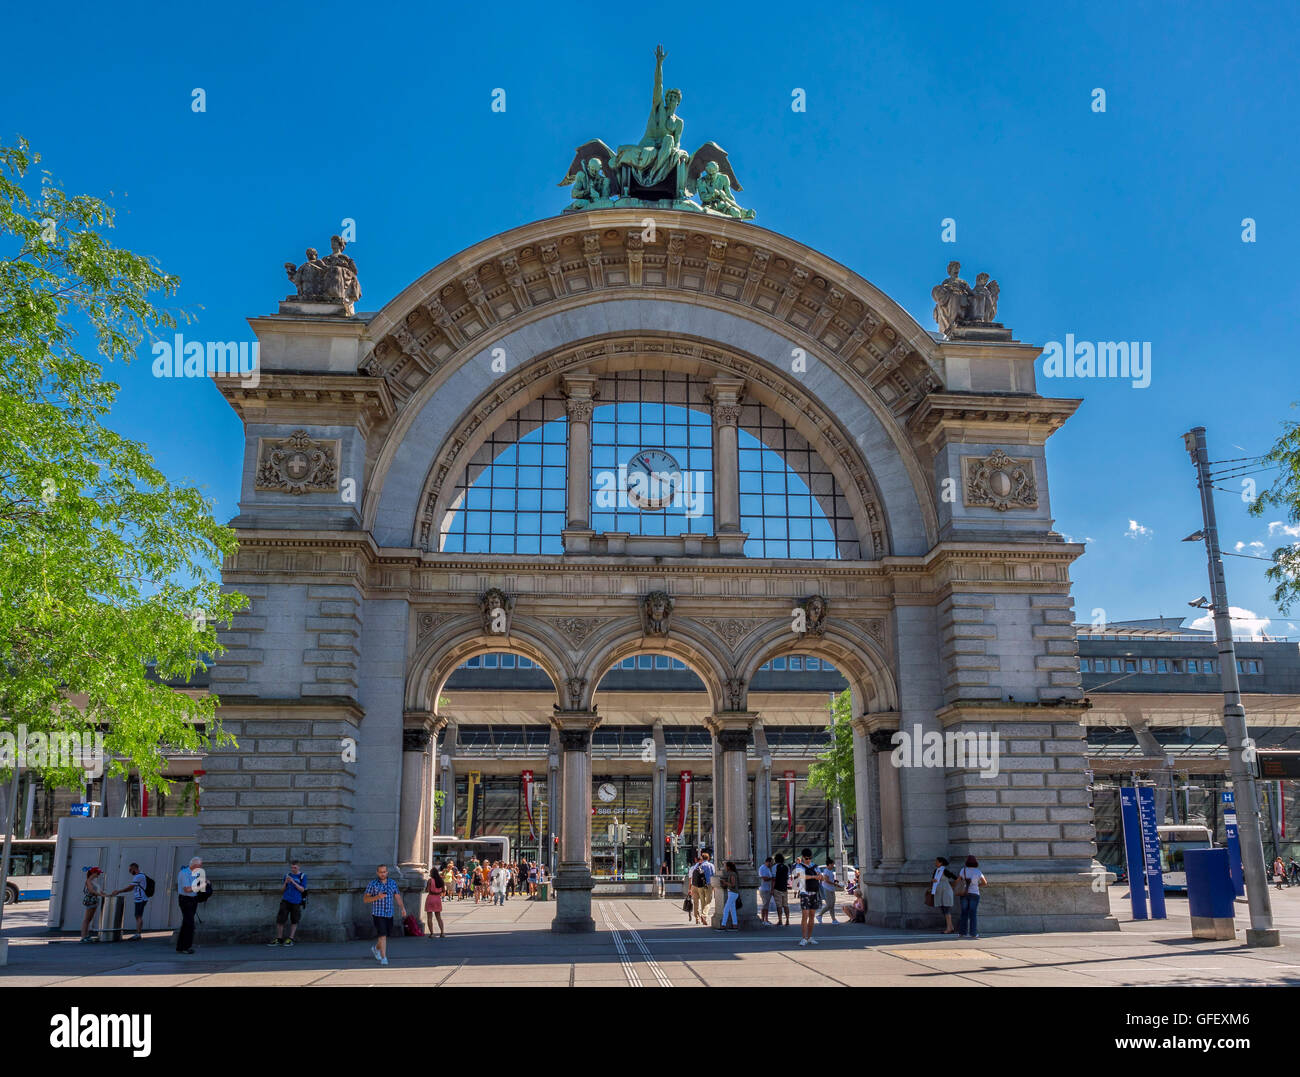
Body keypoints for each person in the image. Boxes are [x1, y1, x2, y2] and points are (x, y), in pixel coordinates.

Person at [363, 864, 406, 966]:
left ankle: (376, 948)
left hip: (389, 913)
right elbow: (365, 899)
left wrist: (402, 908)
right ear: (377, 873)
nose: (383, 874)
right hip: (378, 913)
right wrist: (377, 897)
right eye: (380, 872)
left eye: (384, 872)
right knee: (382, 935)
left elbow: (397, 896)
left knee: (384, 935)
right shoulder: (372, 884)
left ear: (387, 872)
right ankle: (384, 957)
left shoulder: (392, 883)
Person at [268, 860, 307, 946]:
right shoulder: (287, 875)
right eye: (292, 867)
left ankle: (290, 939)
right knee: (280, 920)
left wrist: (293, 882)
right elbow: (282, 890)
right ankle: (279, 939)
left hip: (296, 901)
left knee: (294, 920)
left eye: (295, 867)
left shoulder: (302, 876)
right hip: (286, 900)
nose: (293, 869)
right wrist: (286, 882)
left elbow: (302, 889)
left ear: (299, 867)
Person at [111, 862, 149, 941]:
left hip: (140, 899)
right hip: (141, 898)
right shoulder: (141, 875)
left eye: (130, 870)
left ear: (134, 868)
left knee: (138, 916)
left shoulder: (138, 876)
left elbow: (130, 887)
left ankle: (138, 934)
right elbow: (132, 888)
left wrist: (119, 891)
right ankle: (138, 933)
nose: (129, 872)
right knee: (138, 916)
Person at [796, 849, 825, 947]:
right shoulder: (799, 866)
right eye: (807, 858)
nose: (808, 860)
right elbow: (801, 876)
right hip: (804, 892)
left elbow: (821, 877)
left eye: (810, 858)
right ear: (803, 857)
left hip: (814, 892)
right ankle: (804, 938)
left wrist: (820, 877)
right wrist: (814, 877)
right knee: (805, 915)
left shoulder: (815, 866)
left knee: (812, 915)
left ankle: (810, 937)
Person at [176, 856, 203, 954]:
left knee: (186, 923)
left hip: (193, 899)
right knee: (189, 924)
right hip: (185, 900)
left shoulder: (196, 873)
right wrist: (200, 886)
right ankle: (185, 947)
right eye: (200, 865)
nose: (201, 867)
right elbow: (187, 889)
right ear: (194, 865)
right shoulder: (184, 873)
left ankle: (180, 947)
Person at [956, 856, 987, 939]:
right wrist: (977, 885)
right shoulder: (978, 871)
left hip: (964, 894)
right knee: (973, 914)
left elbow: (958, 881)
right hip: (974, 894)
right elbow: (985, 882)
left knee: (964, 913)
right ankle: (973, 933)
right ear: (975, 862)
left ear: (967, 862)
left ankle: (962, 933)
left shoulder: (963, 870)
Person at [79, 867, 105, 942]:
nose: (99, 874)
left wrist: (107, 895)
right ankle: (83, 936)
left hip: (94, 900)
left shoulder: (94, 881)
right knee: (87, 919)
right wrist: (102, 895)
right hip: (90, 900)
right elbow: (92, 891)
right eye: (98, 873)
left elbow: (99, 891)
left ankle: (86, 935)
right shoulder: (88, 881)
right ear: (93, 873)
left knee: (89, 919)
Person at [932, 856, 956, 934]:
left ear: (941, 863)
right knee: (943, 909)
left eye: (937, 861)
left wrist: (952, 886)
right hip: (939, 892)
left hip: (946, 891)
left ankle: (949, 928)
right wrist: (933, 880)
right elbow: (933, 879)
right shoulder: (936, 871)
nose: (935, 862)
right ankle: (951, 926)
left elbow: (955, 877)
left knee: (946, 909)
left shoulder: (945, 871)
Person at [690, 852, 714, 925]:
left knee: (703, 901)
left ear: (702, 858)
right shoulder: (711, 865)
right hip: (708, 884)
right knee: (709, 901)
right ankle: (704, 915)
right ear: (708, 858)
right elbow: (713, 875)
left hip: (700, 885)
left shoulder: (699, 866)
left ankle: (703, 918)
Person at [425, 861, 447, 938]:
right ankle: (442, 932)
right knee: (438, 917)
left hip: (430, 897)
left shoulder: (430, 880)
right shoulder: (441, 880)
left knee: (429, 917)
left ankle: (432, 933)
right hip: (437, 898)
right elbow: (444, 891)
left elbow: (427, 890)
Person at [817, 856, 841, 925]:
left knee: (832, 905)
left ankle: (834, 920)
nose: (833, 866)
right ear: (829, 864)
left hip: (831, 889)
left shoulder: (830, 871)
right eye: (832, 864)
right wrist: (835, 884)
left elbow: (830, 879)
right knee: (829, 905)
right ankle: (819, 915)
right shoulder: (826, 871)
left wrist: (835, 881)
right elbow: (826, 880)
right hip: (826, 889)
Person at [718, 860, 741, 931]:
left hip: (733, 893)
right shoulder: (732, 873)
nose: (725, 867)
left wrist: (725, 882)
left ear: (728, 867)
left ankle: (723, 925)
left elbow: (733, 885)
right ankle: (735, 925)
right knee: (732, 910)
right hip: (733, 893)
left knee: (726, 909)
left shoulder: (732, 874)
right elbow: (732, 884)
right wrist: (725, 883)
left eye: (726, 866)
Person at [771, 853, 790, 927]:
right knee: (785, 905)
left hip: (777, 888)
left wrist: (772, 889)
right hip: (784, 888)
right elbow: (787, 877)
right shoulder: (786, 866)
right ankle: (787, 920)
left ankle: (780, 920)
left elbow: (773, 879)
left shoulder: (774, 867)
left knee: (779, 905)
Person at [757, 856, 775, 925]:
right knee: (764, 904)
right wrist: (772, 878)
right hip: (763, 889)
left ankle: (766, 919)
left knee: (767, 905)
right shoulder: (762, 868)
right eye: (771, 863)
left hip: (768, 888)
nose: (772, 864)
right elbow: (764, 878)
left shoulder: (767, 868)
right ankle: (762, 919)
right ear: (768, 862)